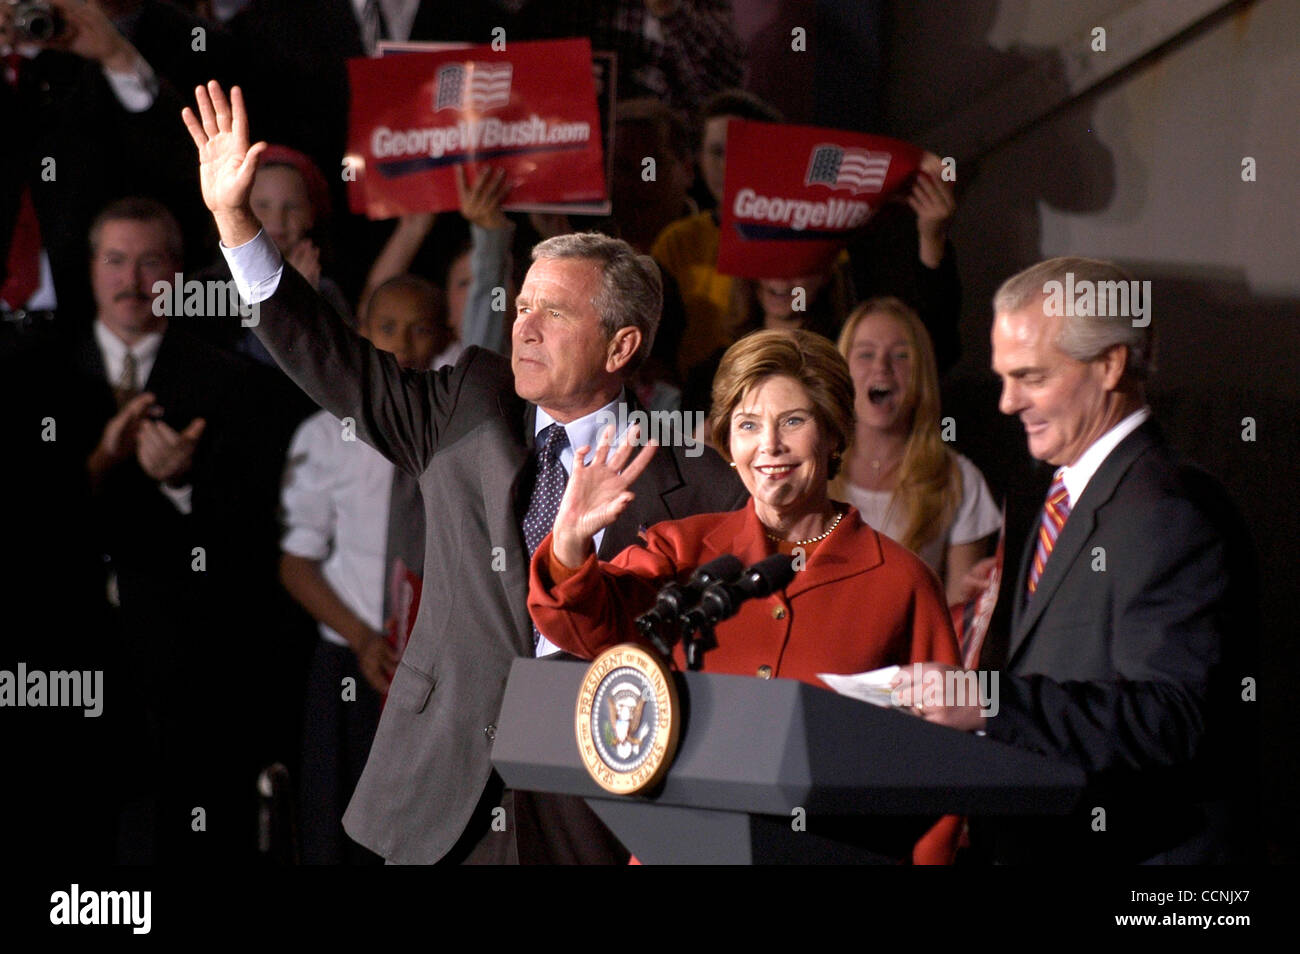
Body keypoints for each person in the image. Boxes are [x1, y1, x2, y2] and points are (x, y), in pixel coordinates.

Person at [182, 81, 747, 864]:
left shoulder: (702, 485)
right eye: (522, 306)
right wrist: (235, 222)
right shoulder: (467, 408)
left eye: (556, 313)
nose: (525, 326)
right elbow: (332, 360)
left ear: (621, 349)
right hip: (440, 796)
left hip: (594, 812)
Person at [528, 329, 963, 864]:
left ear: (833, 434)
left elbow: (943, 772)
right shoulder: (681, 550)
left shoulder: (902, 581)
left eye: (794, 422)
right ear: (728, 445)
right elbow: (585, 622)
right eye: (748, 425)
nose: (770, 446)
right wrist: (570, 542)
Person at [895, 256, 1258, 863]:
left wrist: (987, 700)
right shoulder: (1054, 488)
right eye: (1003, 377)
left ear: (1110, 365)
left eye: (1031, 377)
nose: (1007, 403)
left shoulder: (1170, 510)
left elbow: (1173, 716)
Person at [831, 297, 1000, 604]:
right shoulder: (810, 467)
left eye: (900, 356)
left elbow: (958, 615)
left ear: (921, 374)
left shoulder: (960, 479)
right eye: (866, 354)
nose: (881, 367)